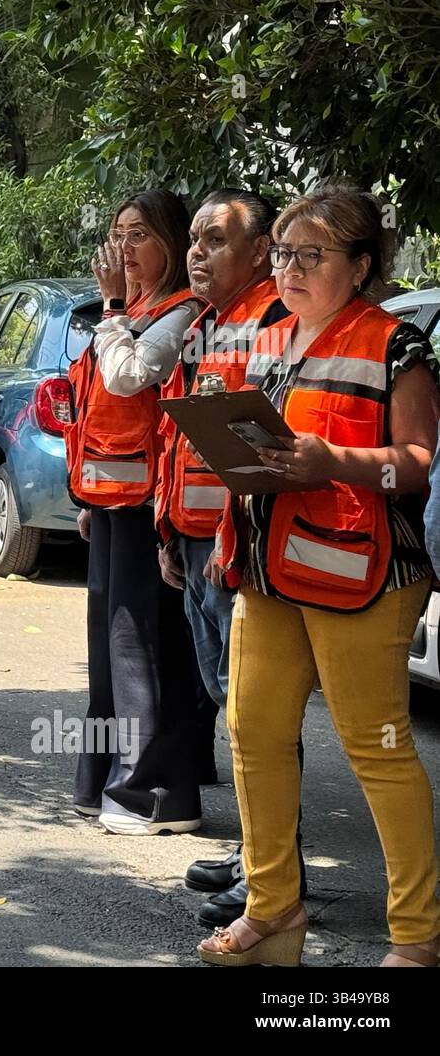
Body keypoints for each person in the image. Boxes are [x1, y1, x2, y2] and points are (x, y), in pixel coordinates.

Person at [201, 186, 440, 968]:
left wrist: (332, 460)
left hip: (364, 574)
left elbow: (415, 466)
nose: (291, 270)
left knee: (376, 747)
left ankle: (416, 938)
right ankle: (273, 913)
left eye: (313, 255)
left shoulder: (397, 344)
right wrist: (226, 516)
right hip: (268, 570)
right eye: (283, 254)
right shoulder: (270, 333)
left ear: (362, 265)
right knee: (255, 733)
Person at [154, 189, 300, 924]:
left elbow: (269, 446)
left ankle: (279, 876)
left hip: (236, 546)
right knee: (227, 700)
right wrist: (164, 524)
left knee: (258, 713)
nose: (198, 252)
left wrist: (223, 539)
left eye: (216, 240)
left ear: (260, 251)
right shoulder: (207, 323)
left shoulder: (279, 323)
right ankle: (255, 854)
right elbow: (175, 429)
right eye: (196, 240)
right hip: (192, 537)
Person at [66, 188, 207, 835]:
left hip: (154, 504)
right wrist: (90, 497)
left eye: (141, 234)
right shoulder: (132, 308)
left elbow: (130, 379)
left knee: (144, 645)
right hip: (111, 501)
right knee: (108, 647)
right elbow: (100, 405)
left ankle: (155, 793)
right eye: (120, 233)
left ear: (171, 243)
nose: (125, 247)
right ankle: (105, 780)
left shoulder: (180, 312)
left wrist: (114, 309)